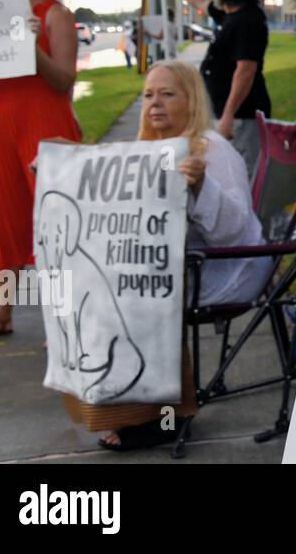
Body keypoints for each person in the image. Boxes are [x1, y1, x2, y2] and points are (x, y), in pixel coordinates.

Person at [67, 60, 272, 450]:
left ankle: (163, 417)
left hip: (228, 265)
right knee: (107, 280)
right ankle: (128, 410)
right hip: (179, 266)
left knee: (138, 287)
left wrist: (200, 187)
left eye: (167, 94)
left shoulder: (213, 149)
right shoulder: (145, 153)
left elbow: (232, 229)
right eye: (147, 95)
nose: (154, 103)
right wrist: (58, 175)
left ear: (190, 100)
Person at [0, 0, 82, 345]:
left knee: (55, 216)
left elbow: (65, 79)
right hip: (1, 119)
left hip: (43, 119)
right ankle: (1, 313)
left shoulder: (54, 14)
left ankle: (67, 313)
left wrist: (30, 48)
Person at [156, 0, 271, 179]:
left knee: (240, 174)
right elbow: (199, 0)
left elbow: (245, 71)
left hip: (241, 116)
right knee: (224, 170)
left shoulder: (247, 21)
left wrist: (228, 116)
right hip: (226, 112)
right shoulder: (231, 15)